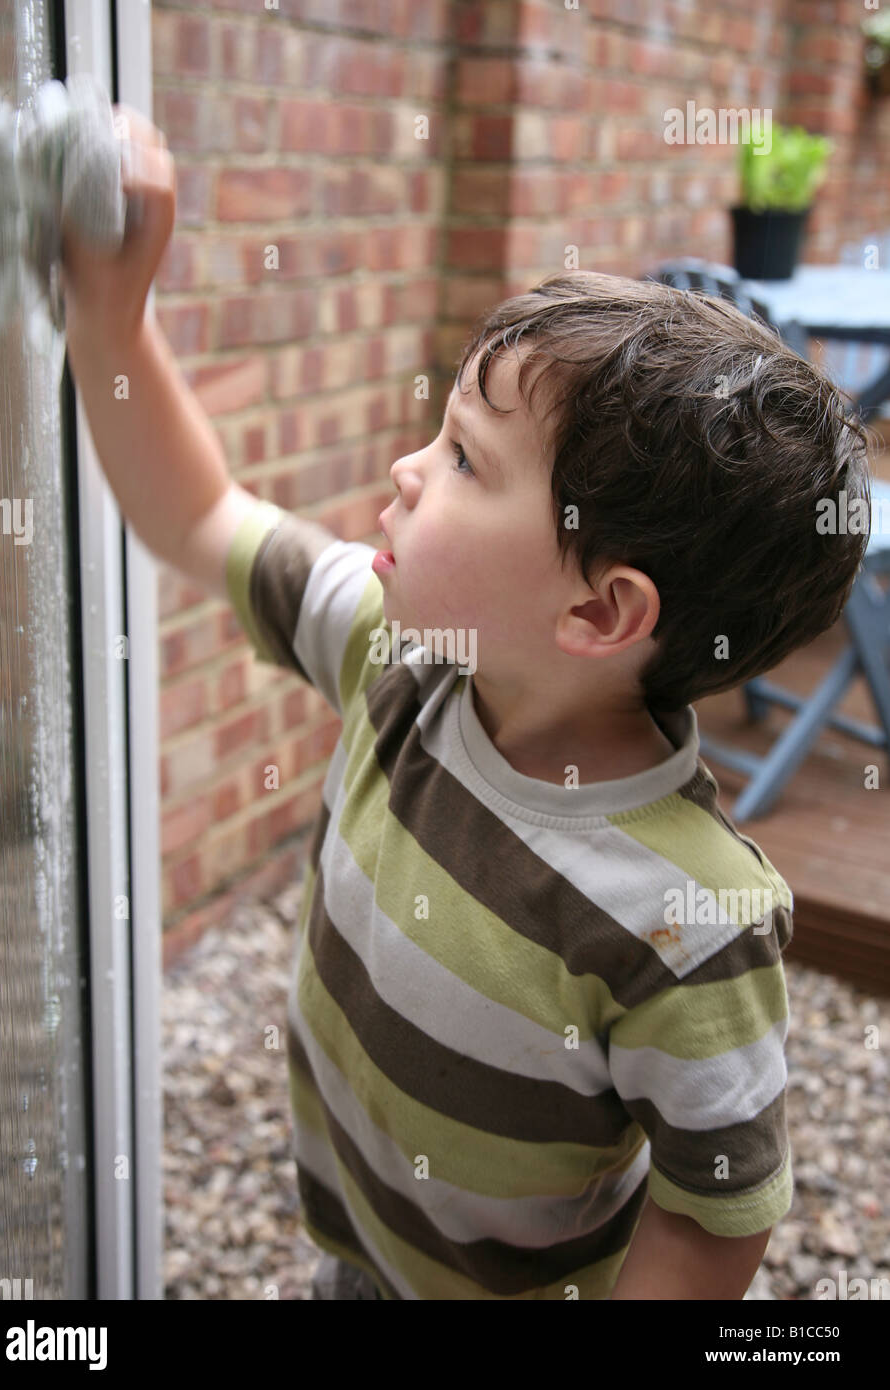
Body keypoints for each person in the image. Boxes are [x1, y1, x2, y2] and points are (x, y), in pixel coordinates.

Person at [60, 110, 875, 1301]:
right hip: (360, 1265)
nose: (405, 469)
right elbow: (196, 518)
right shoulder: (401, 656)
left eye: (460, 459)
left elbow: (713, 1213)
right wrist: (112, 317)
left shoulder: (687, 917)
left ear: (599, 614)